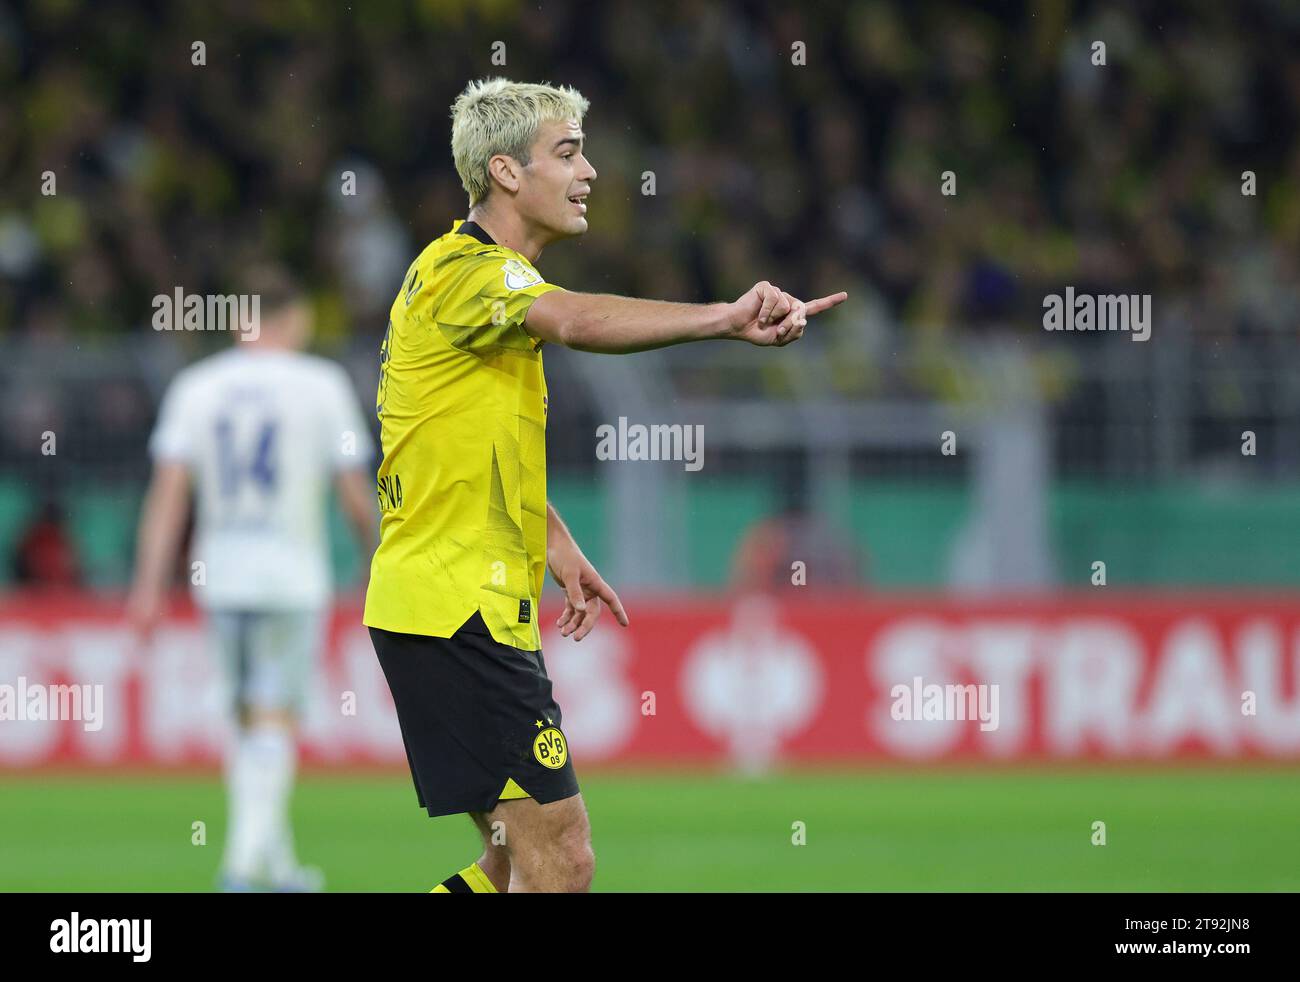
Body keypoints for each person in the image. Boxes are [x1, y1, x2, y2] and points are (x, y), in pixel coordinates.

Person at [364, 77, 846, 893]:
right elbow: (579, 321)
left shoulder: (475, 291)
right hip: (455, 611)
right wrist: (723, 319)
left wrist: (554, 540)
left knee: (513, 860)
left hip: (453, 606)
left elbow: (457, 446)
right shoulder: (466, 273)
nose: (589, 171)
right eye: (567, 152)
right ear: (507, 173)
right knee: (563, 860)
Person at [127, 268, 377, 892]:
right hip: (292, 579)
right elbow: (353, 494)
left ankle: (278, 867)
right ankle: (240, 869)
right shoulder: (320, 385)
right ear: (296, 319)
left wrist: (148, 585)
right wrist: (377, 560)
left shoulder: (196, 386)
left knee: (246, 723)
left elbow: (168, 496)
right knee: (273, 720)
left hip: (222, 576)